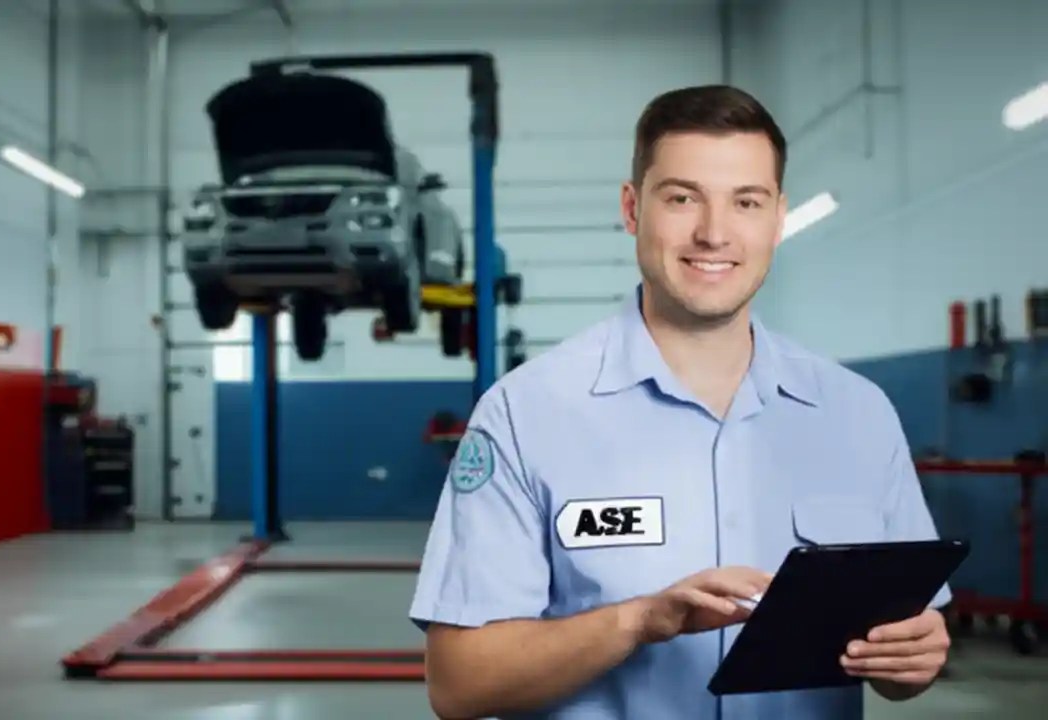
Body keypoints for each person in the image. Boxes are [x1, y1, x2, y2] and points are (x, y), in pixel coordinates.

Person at [408, 85, 952, 720]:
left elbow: (903, 653)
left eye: (746, 202)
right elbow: (460, 685)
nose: (714, 233)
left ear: (777, 217)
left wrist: (911, 660)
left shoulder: (859, 415)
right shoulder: (524, 415)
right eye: (682, 198)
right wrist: (638, 621)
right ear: (632, 208)